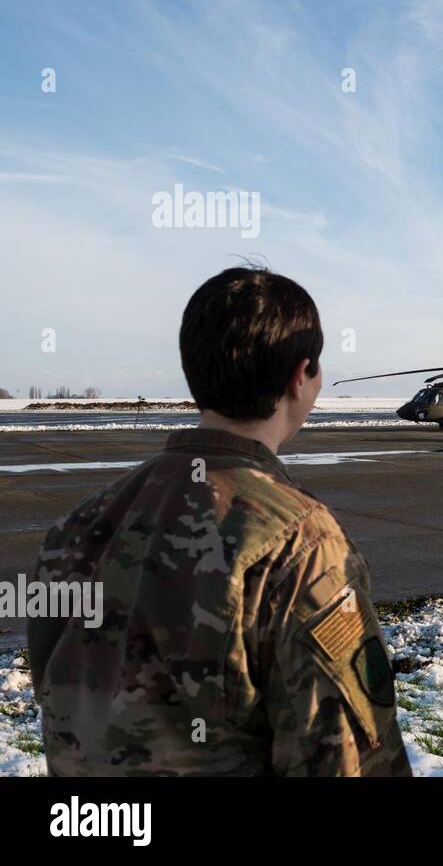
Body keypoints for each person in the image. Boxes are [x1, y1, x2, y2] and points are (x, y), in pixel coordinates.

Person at [27, 266, 411, 776]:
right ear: (301, 376)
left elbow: (57, 699)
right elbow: (344, 758)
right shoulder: (299, 542)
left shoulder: (72, 532)